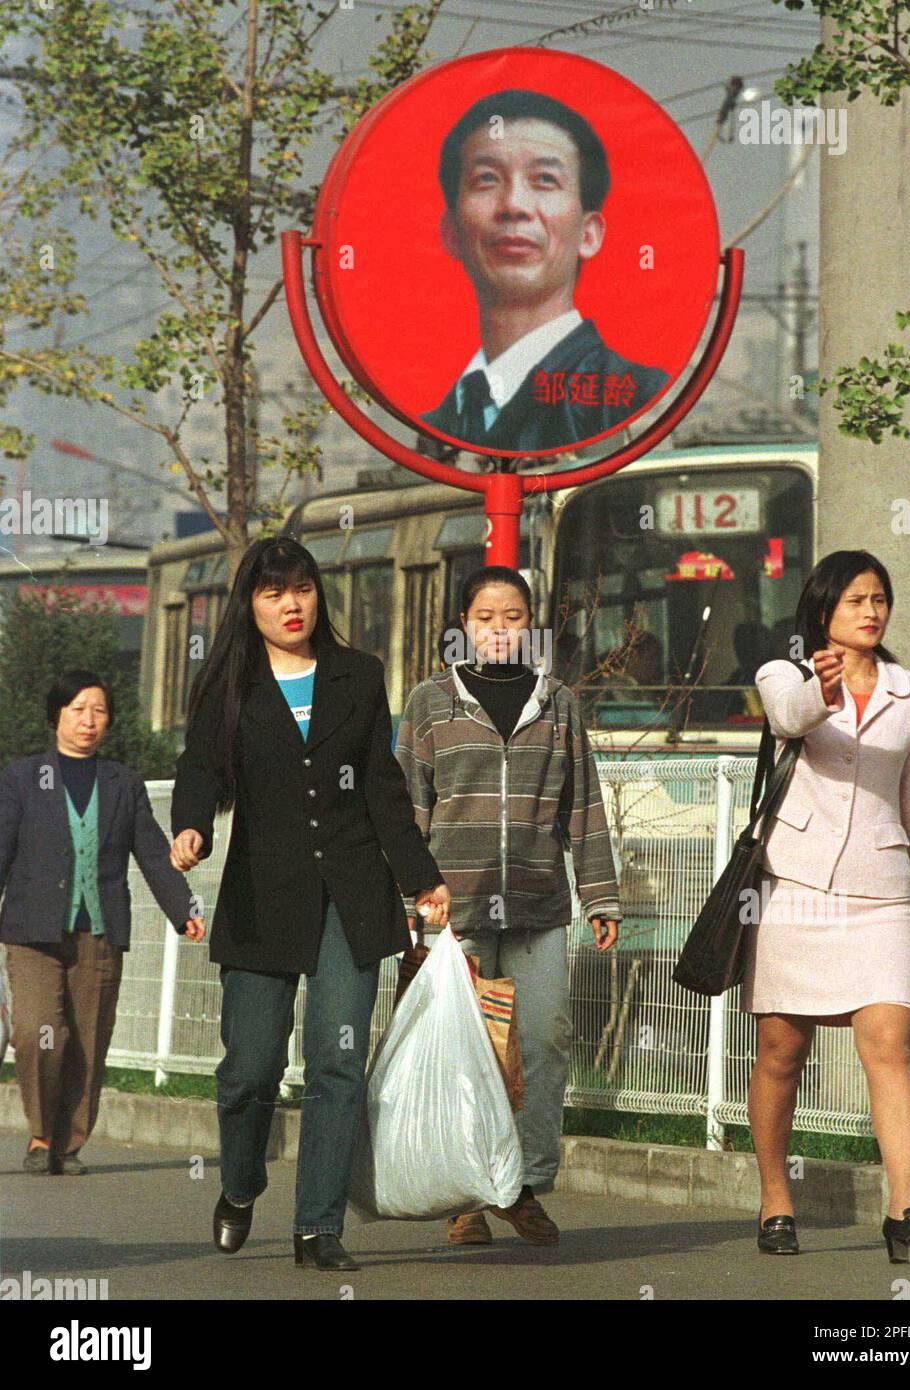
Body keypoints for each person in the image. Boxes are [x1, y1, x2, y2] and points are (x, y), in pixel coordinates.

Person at [170, 537, 450, 1273]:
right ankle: (239, 1184)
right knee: (250, 1071)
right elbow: (198, 767)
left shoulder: (358, 675)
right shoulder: (229, 680)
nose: (290, 605)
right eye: (271, 593)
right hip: (261, 899)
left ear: (317, 594)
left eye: (300, 589)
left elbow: (384, 789)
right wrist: (191, 825)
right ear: (250, 605)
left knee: (336, 1063)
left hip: (349, 897)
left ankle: (318, 1228)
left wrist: (421, 877)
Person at [741, 551, 910, 1261]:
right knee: (781, 1052)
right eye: (854, 601)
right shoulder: (785, 675)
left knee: (890, 1046)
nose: (870, 611)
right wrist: (822, 692)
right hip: (793, 888)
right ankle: (777, 1200)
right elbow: (786, 718)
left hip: (879, 895)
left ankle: (903, 1207)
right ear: (822, 611)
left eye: (879, 599)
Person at [394, 565, 621, 1246]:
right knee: (465, 1050)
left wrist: (600, 894)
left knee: (542, 1039)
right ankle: (466, 1191)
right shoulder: (428, 703)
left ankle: (521, 1184)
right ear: (462, 625)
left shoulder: (558, 704)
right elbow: (406, 807)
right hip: (449, 910)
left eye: (513, 617)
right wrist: (411, 897)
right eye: (486, 616)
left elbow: (582, 808)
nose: (498, 629)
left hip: (536, 904)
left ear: (531, 627)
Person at [1, 670, 204, 1176]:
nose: (88, 720)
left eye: (98, 710)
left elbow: (155, 854)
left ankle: (66, 1145)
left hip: (99, 930)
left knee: (89, 1039)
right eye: (77, 709)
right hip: (34, 931)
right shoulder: (23, 778)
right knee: (37, 1030)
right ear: (57, 716)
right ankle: (42, 1132)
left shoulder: (123, 783)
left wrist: (184, 911)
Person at [421, 88, 669, 453]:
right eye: (487, 179)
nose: (514, 206)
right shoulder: (438, 430)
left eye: (545, 181)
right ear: (451, 232)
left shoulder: (635, 400)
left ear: (589, 234)